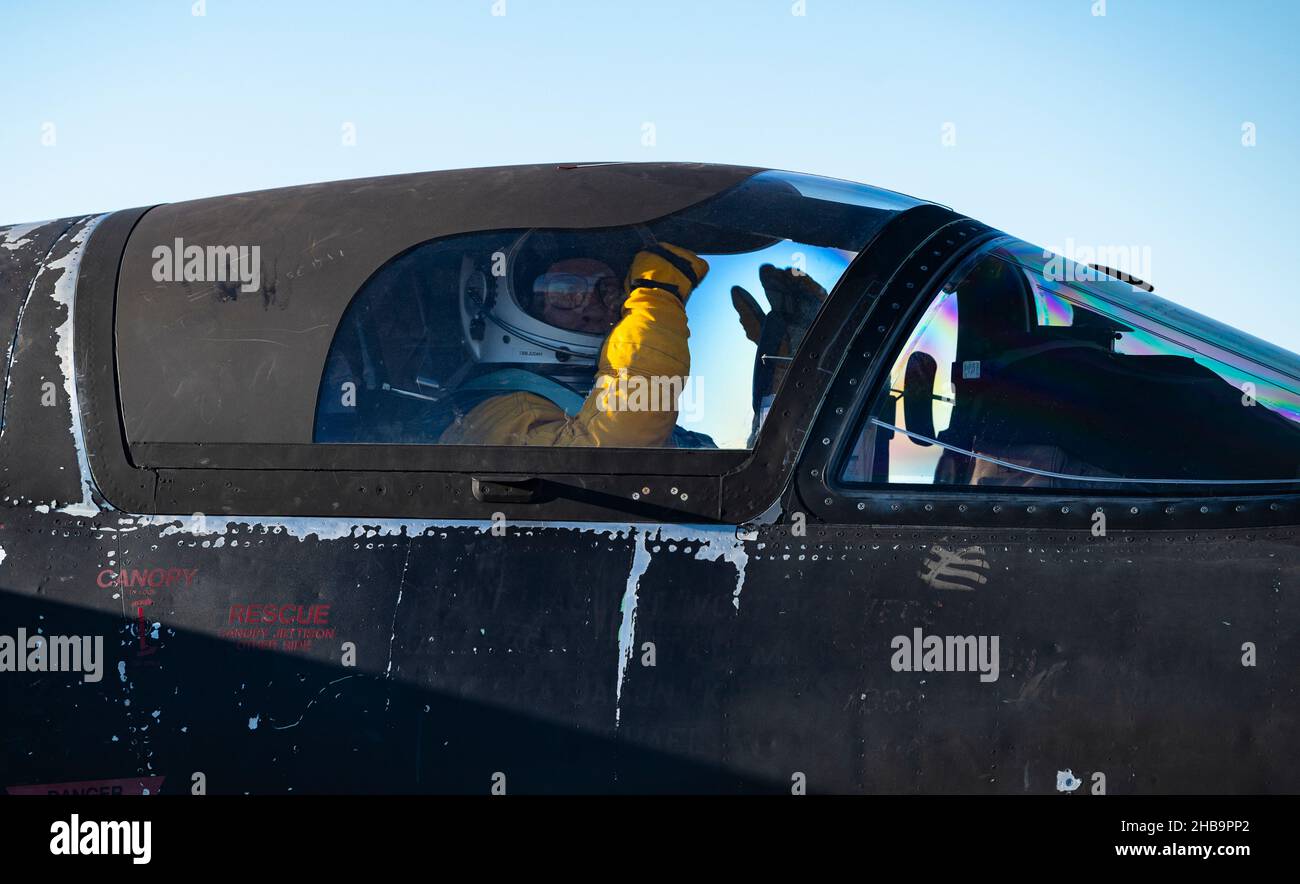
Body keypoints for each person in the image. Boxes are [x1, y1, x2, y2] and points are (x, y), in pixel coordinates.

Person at [439, 243, 709, 447]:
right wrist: (655, 303)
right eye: (566, 293)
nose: (591, 311)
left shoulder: (573, 401)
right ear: (518, 301)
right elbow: (605, 455)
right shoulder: (498, 412)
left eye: (607, 293)